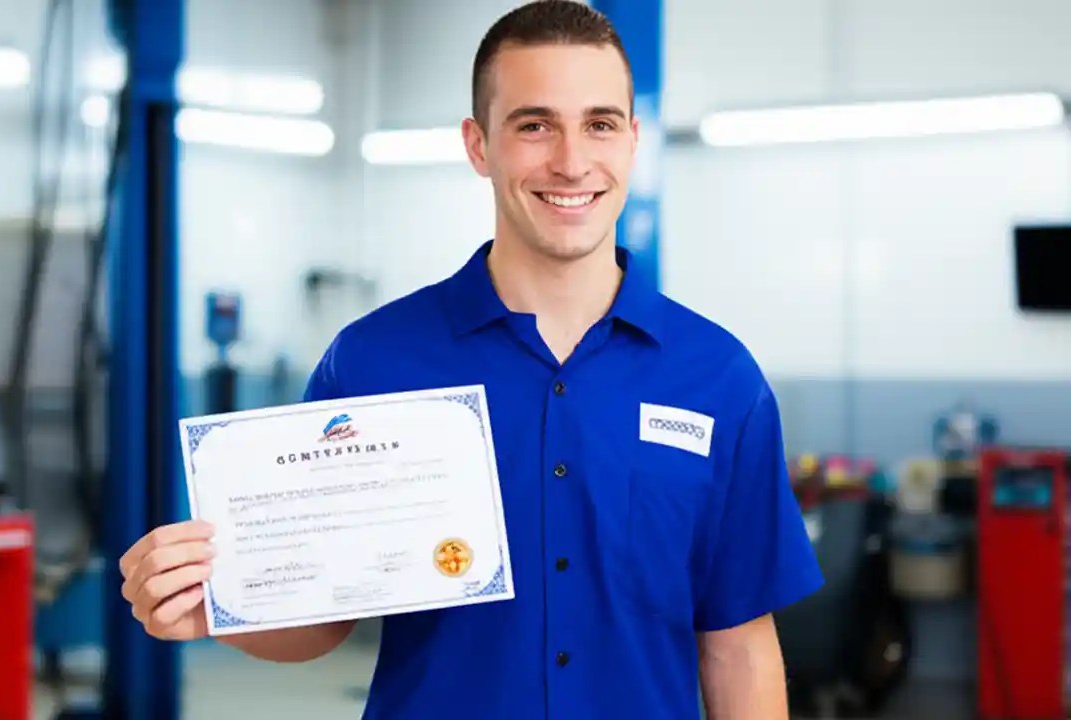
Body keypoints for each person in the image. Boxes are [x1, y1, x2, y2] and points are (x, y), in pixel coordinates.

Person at [118, 1, 823, 717]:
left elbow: (737, 644)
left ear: (632, 141)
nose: (571, 161)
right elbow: (321, 618)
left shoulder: (717, 379)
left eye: (600, 124)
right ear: (479, 144)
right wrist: (223, 606)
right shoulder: (374, 362)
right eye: (534, 125)